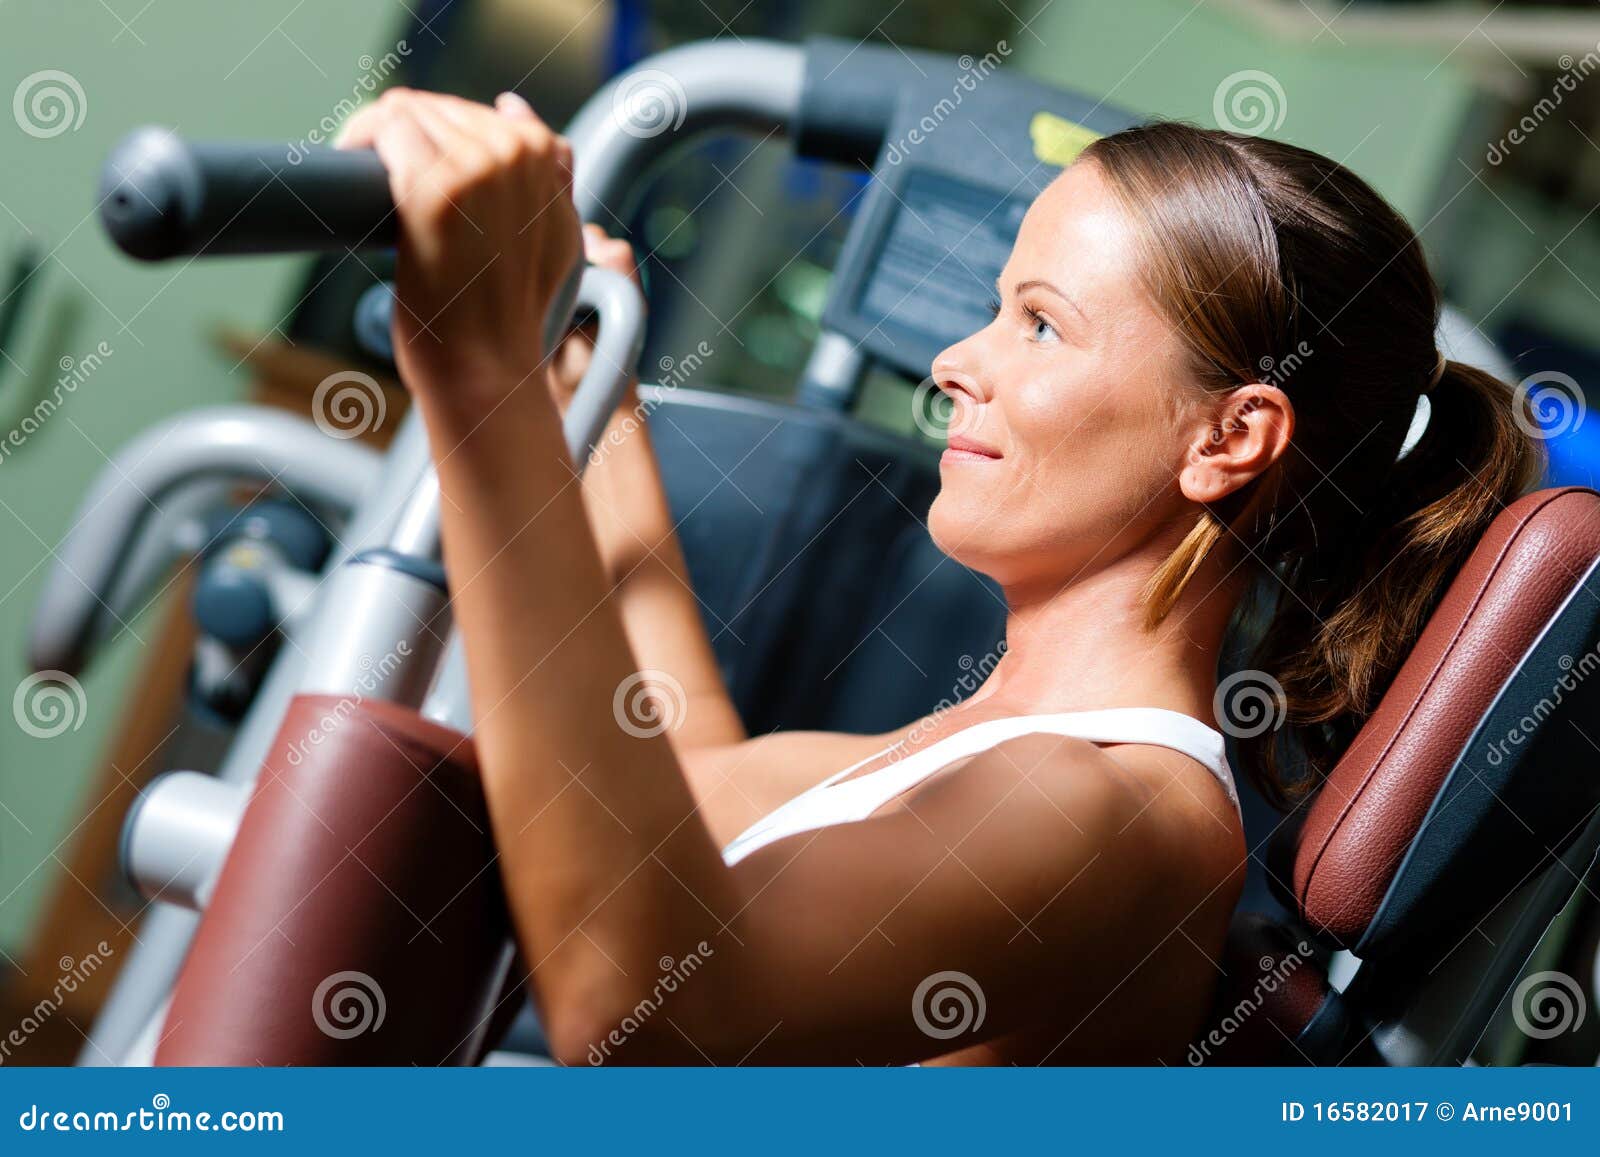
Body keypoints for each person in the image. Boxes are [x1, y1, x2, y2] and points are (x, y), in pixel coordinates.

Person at [334, 89, 1541, 1065]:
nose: (959, 361)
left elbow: (640, 995)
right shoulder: (1006, 741)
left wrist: (481, 375)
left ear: (1225, 439)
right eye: (992, 310)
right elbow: (691, 777)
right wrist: (577, 393)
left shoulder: (1113, 808)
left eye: (1040, 324)